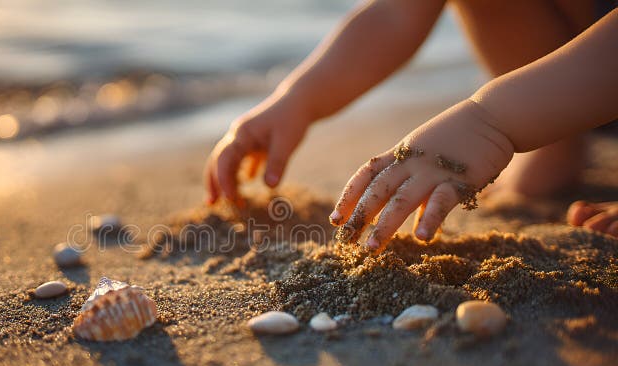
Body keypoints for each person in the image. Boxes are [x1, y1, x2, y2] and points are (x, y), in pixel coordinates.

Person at [203, 0, 618, 250]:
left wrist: (490, 121)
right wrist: (297, 100)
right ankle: (553, 140)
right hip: (564, 80)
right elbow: (395, 15)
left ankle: (534, 126)